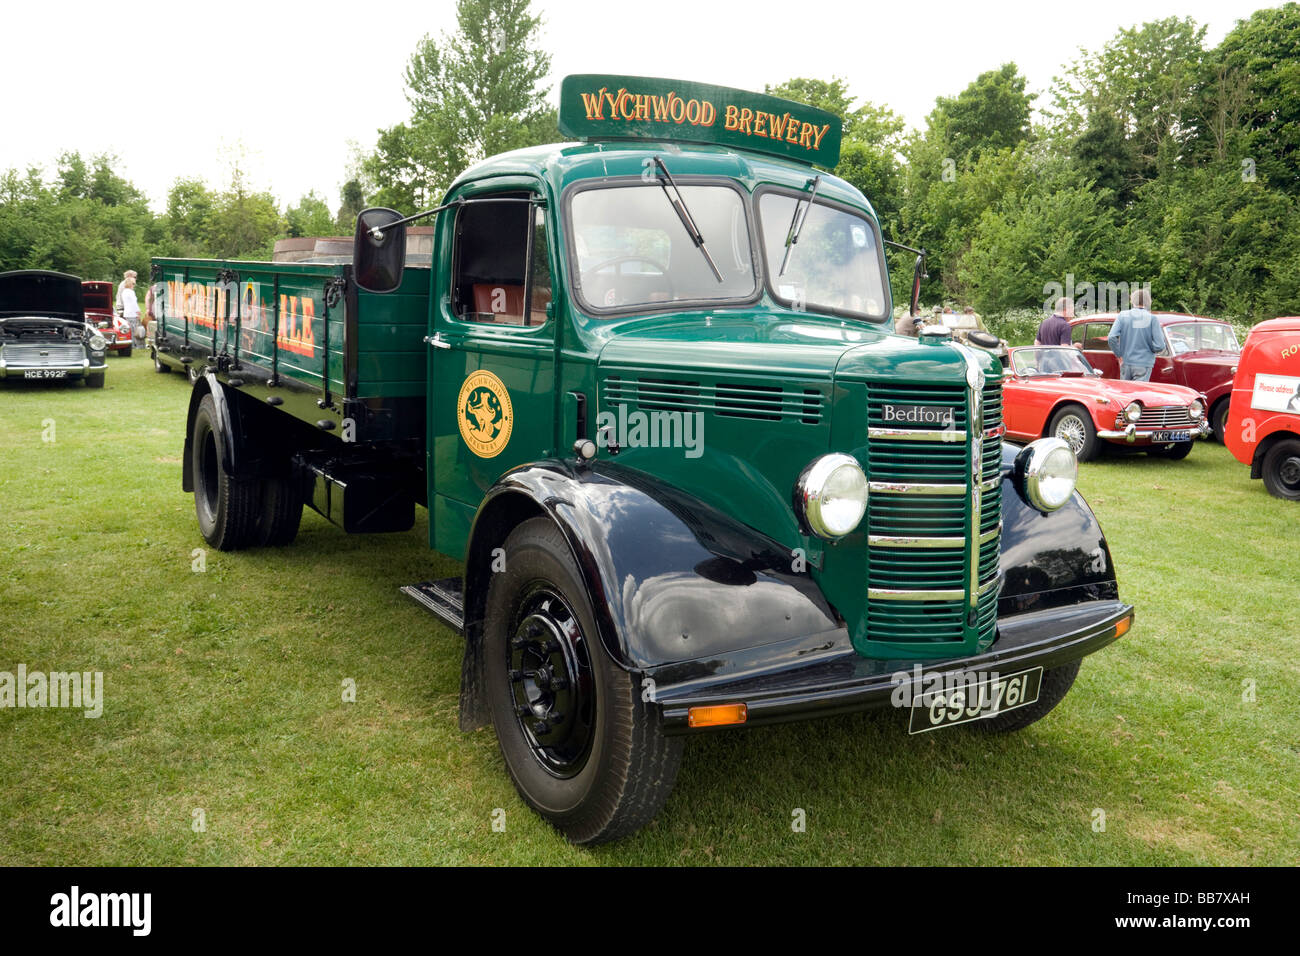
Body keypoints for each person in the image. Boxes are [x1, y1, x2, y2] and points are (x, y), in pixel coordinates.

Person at [1107, 288, 1165, 381]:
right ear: (1148, 301)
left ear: (1132, 300)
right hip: (1144, 364)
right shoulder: (1152, 318)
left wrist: (1119, 355)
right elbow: (1160, 345)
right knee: (1138, 393)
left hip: (1126, 362)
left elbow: (1111, 337)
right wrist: (1147, 346)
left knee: (1125, 393)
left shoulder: (1122, 315)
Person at [116, 272, 140, 345]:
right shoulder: (129, 290)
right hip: (128, 311)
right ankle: (133, 344)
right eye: (134, 277)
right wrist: (138, 311)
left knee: (128, 328)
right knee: (132, 329)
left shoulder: (125, 290)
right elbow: (133, 303)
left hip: (126, 311)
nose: (135, 279)